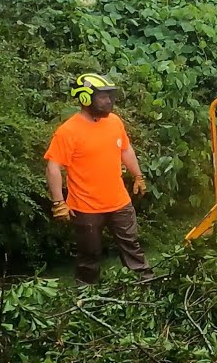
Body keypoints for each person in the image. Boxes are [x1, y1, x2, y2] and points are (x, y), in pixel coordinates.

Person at [44, 72, 153, 285]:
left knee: (132, 246)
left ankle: (146, 284)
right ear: (85, 98)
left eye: (109, 96)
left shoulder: (114, 122)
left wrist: (138, 176)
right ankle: (86, 296)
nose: (108, 101)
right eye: (102, 97)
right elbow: (53, 167)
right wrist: (58, 202)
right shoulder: (68, 131)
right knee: (89, 256)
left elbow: (126, 150)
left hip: (119, 202)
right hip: (85, 207)